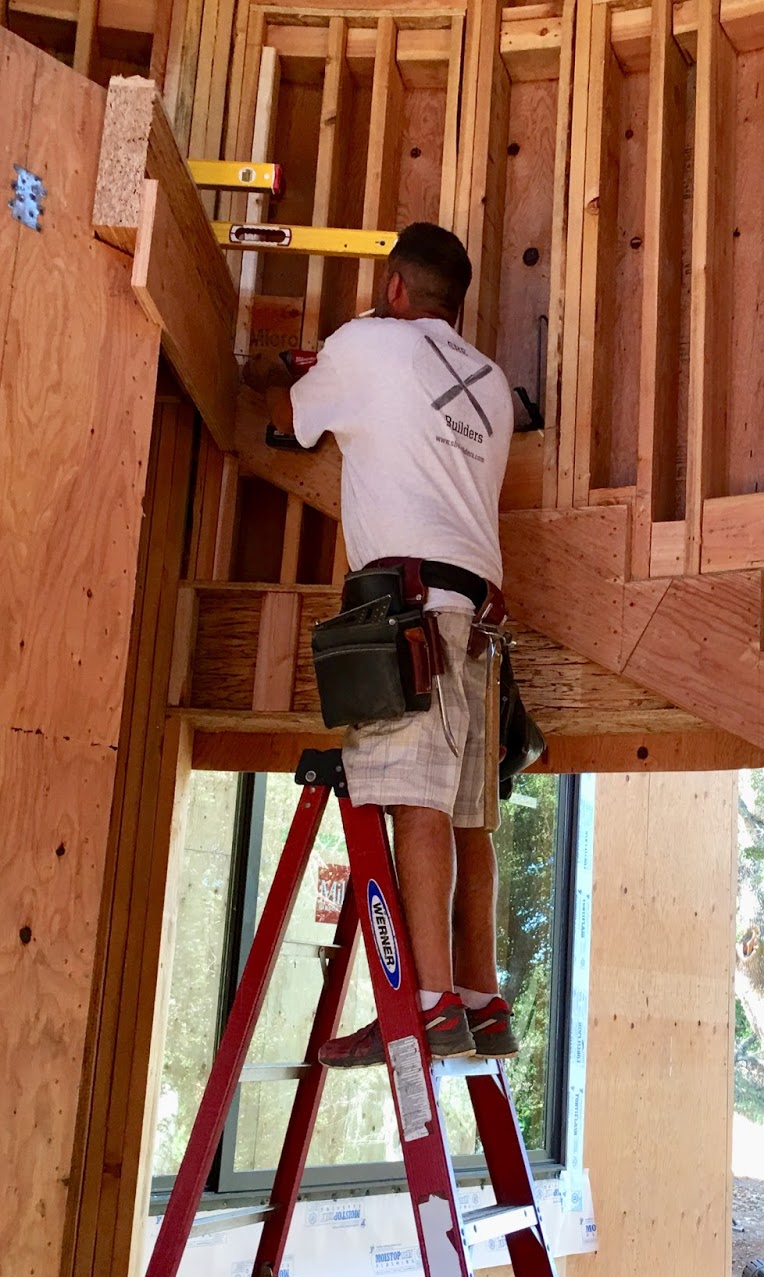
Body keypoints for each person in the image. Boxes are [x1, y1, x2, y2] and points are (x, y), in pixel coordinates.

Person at [243, 222, 518, 1067]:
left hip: (409, 611)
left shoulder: (367, 344)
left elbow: (287, 422)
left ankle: (429, 1005)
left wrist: (272, 366)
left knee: (416, 801)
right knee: (469, 813)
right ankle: (477, 998)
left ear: (394, 287)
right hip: (476, 625)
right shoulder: (493, 382)